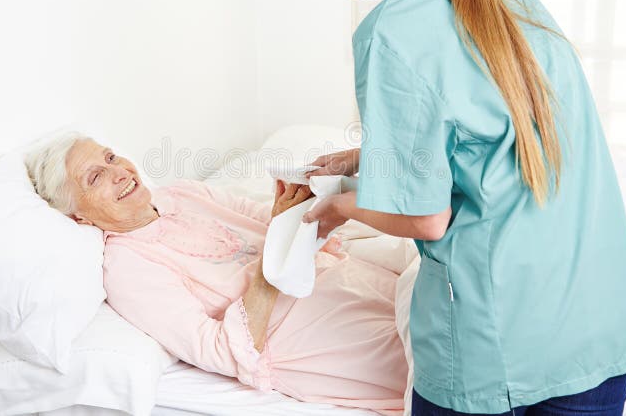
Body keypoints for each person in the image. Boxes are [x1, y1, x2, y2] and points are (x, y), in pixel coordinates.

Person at [286, 0, 626, 415]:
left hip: (503, 346)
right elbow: (492, 125)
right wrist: (371, 157)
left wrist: (339, 207)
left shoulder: (392, 33)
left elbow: (425, 219)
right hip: (598, 324)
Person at [25, 133, 408, 415]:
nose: (118, 172)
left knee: (432, 307)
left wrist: (296, 202)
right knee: (428, 363)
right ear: (79, 215)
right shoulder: (126, 268)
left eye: (110, 157)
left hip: (342, 279)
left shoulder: (180, 194)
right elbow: (220, 350)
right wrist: (277, 248)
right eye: (95, 177)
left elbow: (264, 218)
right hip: (306, 335)